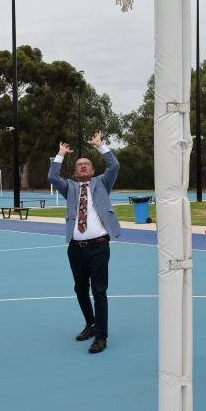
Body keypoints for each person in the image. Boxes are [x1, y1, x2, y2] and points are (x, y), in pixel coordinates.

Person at [47, 131, 120, 354]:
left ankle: (101, 336)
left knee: (99, 291)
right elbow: (53, 177)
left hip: (99, 247)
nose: (83, 166)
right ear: (75, 171)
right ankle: (91, 323)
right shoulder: (69, 187)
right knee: (80, 289)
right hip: (75, 249)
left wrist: (100, 146)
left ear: (93, 170)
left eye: (87, 164)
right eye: (79, 165)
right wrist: (60, 155)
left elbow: (114, 166)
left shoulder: (102, 183)